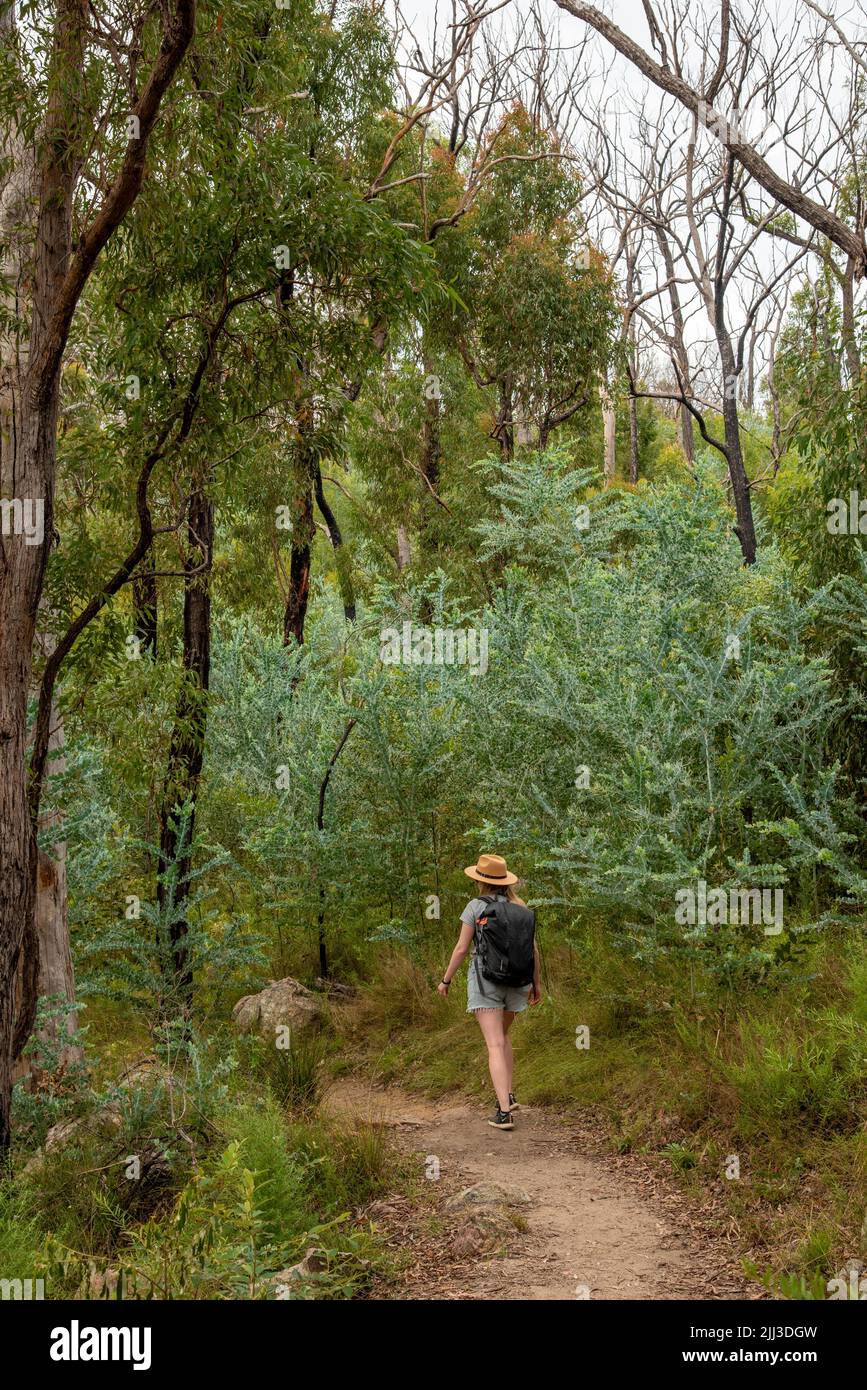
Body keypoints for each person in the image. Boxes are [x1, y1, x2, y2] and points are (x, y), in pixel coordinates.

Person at [437, 853, 541, 1130]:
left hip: (487, 982)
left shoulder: (475, 906)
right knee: (503, 1037)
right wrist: (536, 985)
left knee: (494, 1043)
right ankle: (507, 1094)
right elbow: (533, 951)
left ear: (481, 881)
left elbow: (461, 948)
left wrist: (446, 980)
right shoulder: (522, 909)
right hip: (518, 983)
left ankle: (504, 1113)